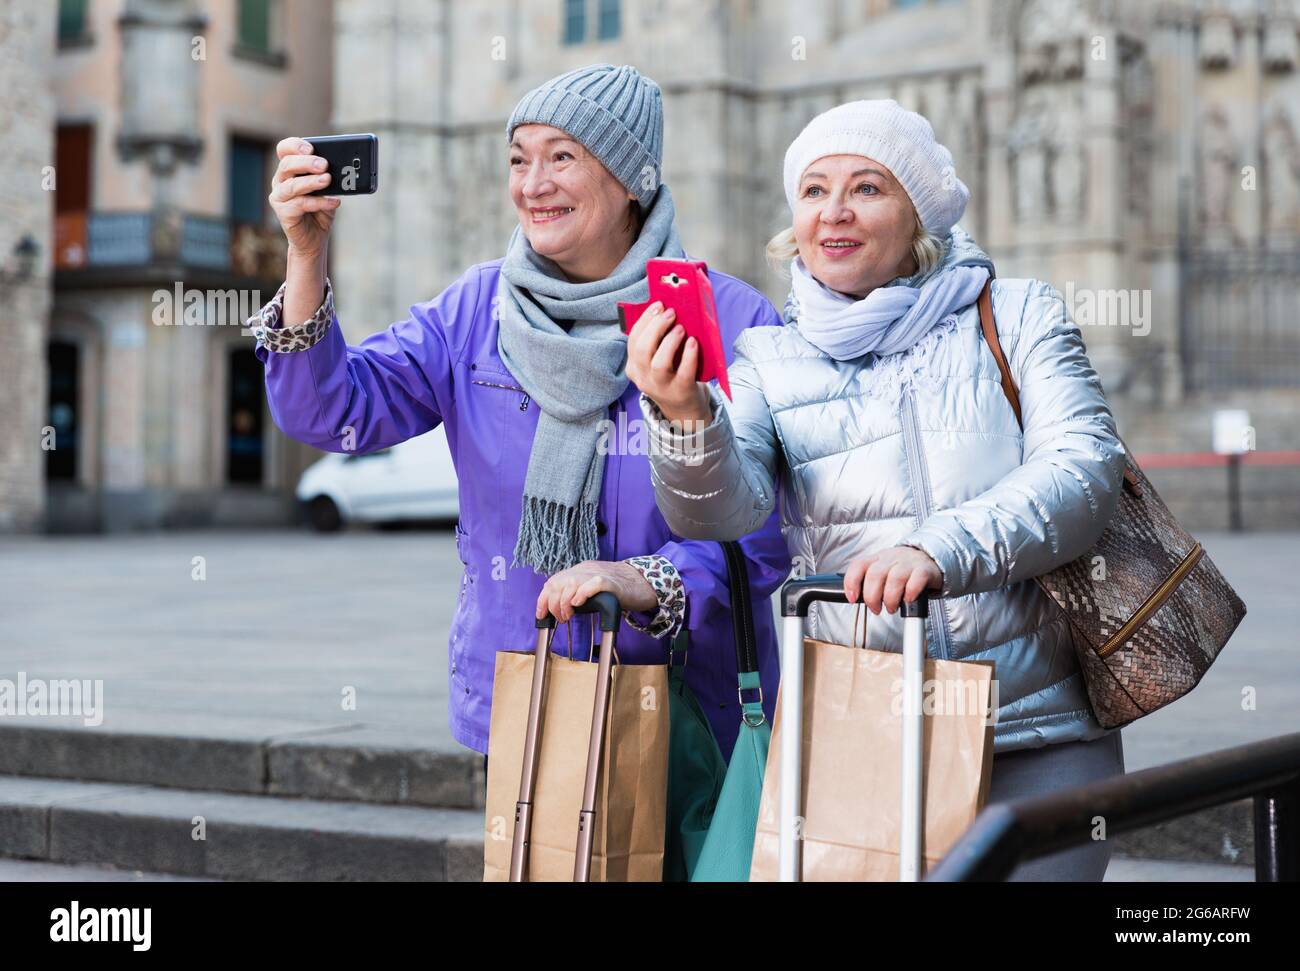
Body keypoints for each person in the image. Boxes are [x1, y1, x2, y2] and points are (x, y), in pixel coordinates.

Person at [628, 99, 1127, 880]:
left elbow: (1083, 469)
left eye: (867, 188)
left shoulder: (1019, 313)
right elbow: (725, 509)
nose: (835, 212)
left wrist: (938, 548)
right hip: (862, 734)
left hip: (1035, 729)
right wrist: (686, 419)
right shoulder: (768, 356)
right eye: (814, 190)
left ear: (918, 213)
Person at [248, 64, 791, 765]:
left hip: (687, 710)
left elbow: (764, 534)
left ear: (631, 178)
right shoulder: (476, 310)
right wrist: (307, 253)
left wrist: (647, 580)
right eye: (518, 159)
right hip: (525, 704)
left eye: (562, 157)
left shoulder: (730, 318)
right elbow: (330, 412)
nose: (532, 185)